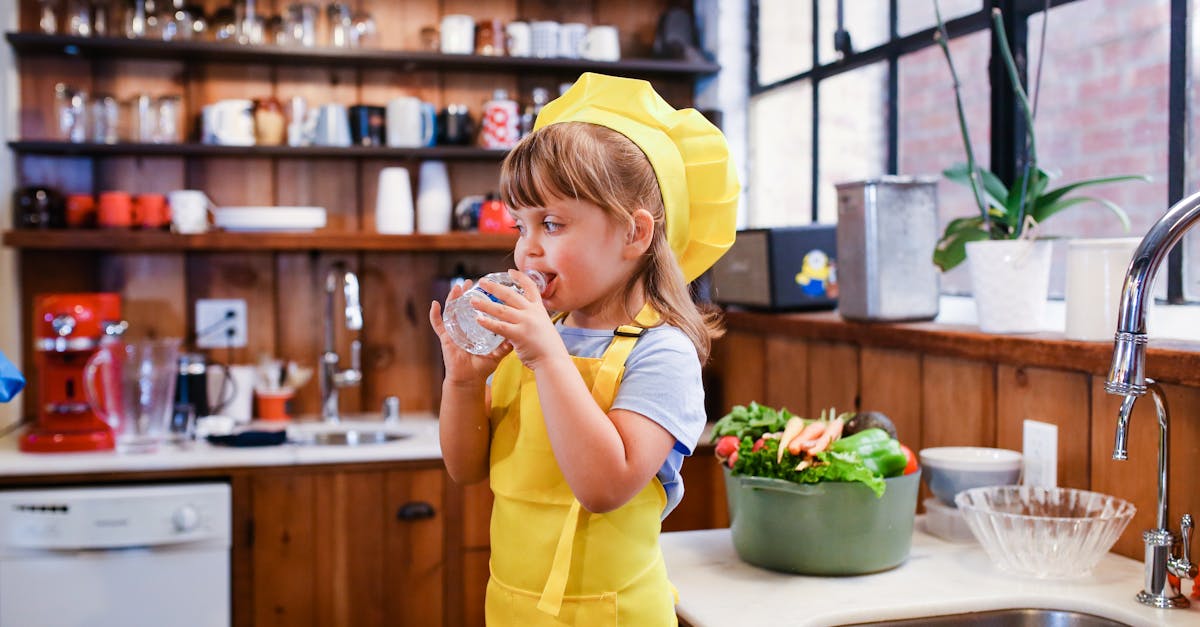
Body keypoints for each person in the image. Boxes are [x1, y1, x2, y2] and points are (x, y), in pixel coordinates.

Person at [428, 72, 739, 626]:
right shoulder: (535, 334)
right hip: (512, 609)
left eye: (552, 223)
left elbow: (604, 485)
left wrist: (547, 356)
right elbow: (465, 467)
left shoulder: (662, 353)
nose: (528, 250)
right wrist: (465, 381)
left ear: (634, 234)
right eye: (521, 226)